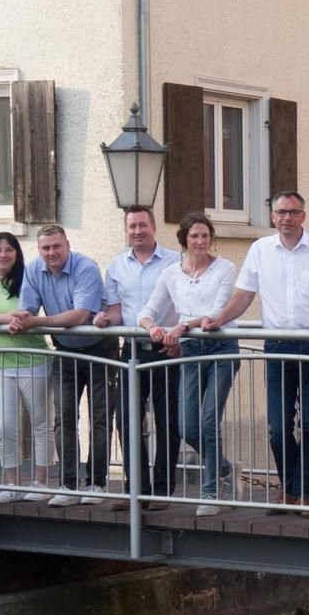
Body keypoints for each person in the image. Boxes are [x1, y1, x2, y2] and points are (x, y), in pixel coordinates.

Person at [205, 192, 309, 511]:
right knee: (277, 427)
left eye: (293, 212)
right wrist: (219, 319)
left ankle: (304, 493)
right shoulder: (260, 249)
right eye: (281, 212)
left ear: (303, 216)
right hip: (276, 345)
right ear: (272, 216)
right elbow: (244, 295)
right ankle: (289, 488)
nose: (287, 217)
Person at [141, 213, 240, 517]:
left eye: (205, 235)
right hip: (190, 350)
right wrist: (152, 327)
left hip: (221, 347)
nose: (200, 241)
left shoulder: (225, 268)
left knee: (209, 420)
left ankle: (210, 492)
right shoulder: (171, 273)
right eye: (194, 236)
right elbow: (147, 310)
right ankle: (224, 468)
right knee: (186, 424)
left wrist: (182, 325)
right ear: (184, 240)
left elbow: (217, 311)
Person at [11, 223, 109, 506]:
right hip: (65, 349)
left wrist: (35, 321)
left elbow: (80, 316)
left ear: (68, 245)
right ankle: (68, 485)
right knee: (63, 418)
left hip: (100, 348)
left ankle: (97, 484)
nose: (51, 252)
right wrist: (19, 319)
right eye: (45, 247)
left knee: (99, 417)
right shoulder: (33, 269)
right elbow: (27, 310)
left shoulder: (85, 267)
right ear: (38, 249)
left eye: (56, 246)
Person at [97, 206, 180, 503]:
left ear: (154, 226)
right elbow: (116, 311)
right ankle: (137, 490)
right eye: (132, 226)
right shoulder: (116, 266)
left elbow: (186, 304)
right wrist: (104, 319)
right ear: (126, 230)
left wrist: (180, 339)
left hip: (167, 349)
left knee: (167, 421)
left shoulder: (176, 261)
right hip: (132, 350)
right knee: (127, 419)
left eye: (142, 225)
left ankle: (162, 491)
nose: (137, 231)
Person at [0, 232, 51, 504]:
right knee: (2, 426)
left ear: (17, 253)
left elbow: (25, 316)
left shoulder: (29, 276)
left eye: (9, 250)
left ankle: (41, 483)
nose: (2, 255)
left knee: (40, 423)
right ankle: (13, 484)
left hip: (32, 358)